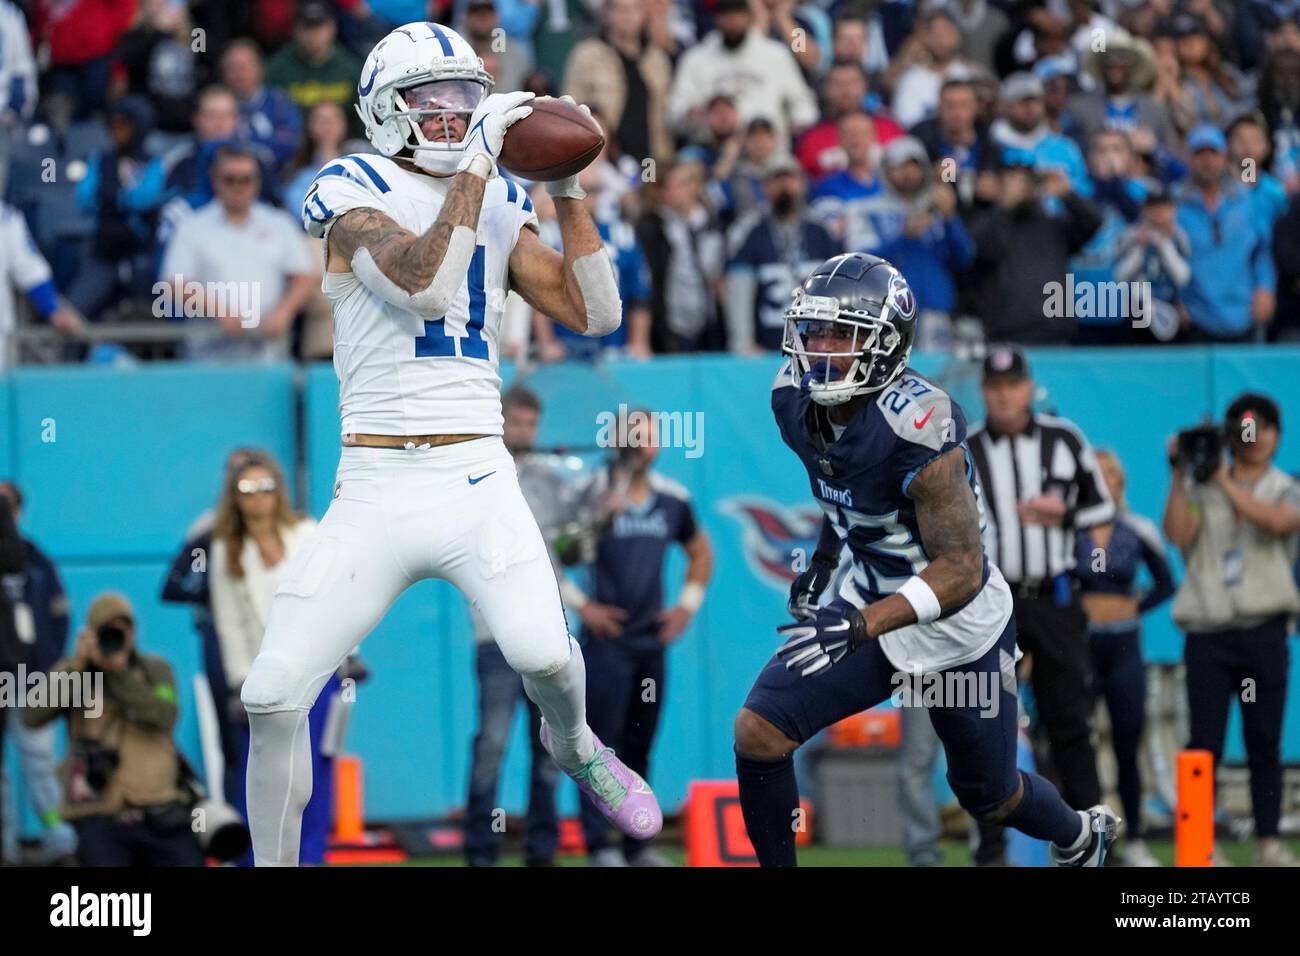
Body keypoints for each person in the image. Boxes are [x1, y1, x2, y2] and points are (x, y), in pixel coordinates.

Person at [242, 22, 660, 866]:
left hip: (474, 471)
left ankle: (576, 747)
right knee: (272, 695)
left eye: (465, 99)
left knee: (545, 653)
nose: (453, 116)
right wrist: (482, 161)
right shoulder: (345, 186)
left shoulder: (505, 197)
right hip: (374, 482)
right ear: (384, 110)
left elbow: (599, 313)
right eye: (430, 101)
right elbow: (427, 285)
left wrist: (569, 189)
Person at [733, 253, 1118, 868]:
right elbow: (841, 488)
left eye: (842, 335)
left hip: (958, 627)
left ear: (886, 345)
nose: (821, 348)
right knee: (759, 731)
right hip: (873, 599)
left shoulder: (917, 425)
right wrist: (826, 562)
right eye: (815, 330)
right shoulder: (793, 400)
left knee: (990, 796)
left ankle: (1078, 834)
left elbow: (962, 568)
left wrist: (859, 623)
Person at [966, 345, 1115, 865]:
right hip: (990, 605)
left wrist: (1066, 516)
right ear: (984, 391)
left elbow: (1103, 509)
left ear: (1030, 388)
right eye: (994, 387)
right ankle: (990, 851)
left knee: (1071, 720)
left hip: (1051, 598)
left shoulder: (1064, 439)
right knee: (985, 723)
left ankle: (1093, 838)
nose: (1004, 395)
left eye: (1012, 386)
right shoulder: (966, 450)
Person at [1163, 393, 1300, 867]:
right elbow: (1178, 534)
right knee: (1203, 742)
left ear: (1277, 436)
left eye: (1263, 427)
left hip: (1264, 630)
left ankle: (1267, 841)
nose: (1254, 436)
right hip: (1209, 631)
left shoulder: (1285, 486)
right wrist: (1180, 473)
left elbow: (1279, 523)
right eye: (1245, 427)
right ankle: (1199, 845)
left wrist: (1221, 478)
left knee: (1265, 741)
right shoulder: (1201, 487)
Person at [463, 387, 576, 867]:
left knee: (548, 751)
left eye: (532, 424)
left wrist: (593, 522)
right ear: (499, 422)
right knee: (491, 746)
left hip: (548, 634)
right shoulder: (475, 481)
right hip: (494, 637)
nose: (525, 433)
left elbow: (571, 553)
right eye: (518, 423)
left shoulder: (551, 483)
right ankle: (480, 854)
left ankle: (541, 853)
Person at [207, 451, 334, 864]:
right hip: (261, 679)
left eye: (267, 486)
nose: (259, 497)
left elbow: (334, 595)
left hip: (316, 670)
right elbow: (229, 623)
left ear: (279, 489)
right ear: (235, 496)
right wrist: (237, 684)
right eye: (248, 489)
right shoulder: (226, 547)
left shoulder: (305, 531)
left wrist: (349, 653)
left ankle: (311, 857)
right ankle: (255, 860)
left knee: (312, 771)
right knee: (261, 773)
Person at [23, 592, 205, 867]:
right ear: (92, 634)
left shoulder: (156, 669)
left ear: (133, 631)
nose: (117, 638)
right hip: (99, 813)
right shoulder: (77, 674)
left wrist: (118, 674)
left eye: (124, 629)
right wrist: (77, 665)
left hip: (161, 810)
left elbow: (165, 715)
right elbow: (32, 716)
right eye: (107, 630)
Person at [1073, 451, 1175, 868]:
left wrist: (1136, 607)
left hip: (1124, 646)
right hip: (1081, 646)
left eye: (1109, 477)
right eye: (1094, 477)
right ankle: (1085, 838)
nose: (1103, 484)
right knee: (1077, 741)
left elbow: (1167, 583)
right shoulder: (1070, 530)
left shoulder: (1137, 529)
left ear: (1119, 484)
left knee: (1128, 738)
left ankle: (1134, 836)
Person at [158, 143, 316, 361]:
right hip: (209, 355)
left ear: (257, 182)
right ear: (215, 180)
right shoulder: (192, 227)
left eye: (246, 179)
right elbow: (174, 284)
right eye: (230, 179)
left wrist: (284, 312)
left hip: (268, 354)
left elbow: (304, 278)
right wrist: (218, 312)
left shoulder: (279, 223)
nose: (238, 186)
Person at [0, 481, 75, 865]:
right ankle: (5, 848)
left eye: (7, 504)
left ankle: (59, 840)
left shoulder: (34, 559)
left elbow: (59, 616)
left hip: (29, 680)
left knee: (40, 763)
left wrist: (48, 669)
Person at [724, 156, 838, 354]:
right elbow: (739, 286)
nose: (784, 186)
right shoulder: (750, 231)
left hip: (818, 347)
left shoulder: (821, 232)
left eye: (790, 179)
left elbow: (839, 286)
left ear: (803, 184)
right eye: (777, 180)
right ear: (765, 187)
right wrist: (742, 342)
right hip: (767, 345)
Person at [1174, 124, 1276, 342]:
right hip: (1195, 318)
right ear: (1189, 159)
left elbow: (1262, 251)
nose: (1207, 161)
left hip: (1244, 314)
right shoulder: (1174, 203)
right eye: (1199, 154)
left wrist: (1265, 288)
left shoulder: (1246, 199)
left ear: (1224, 157)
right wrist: (1174, 300)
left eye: (1213, 153)